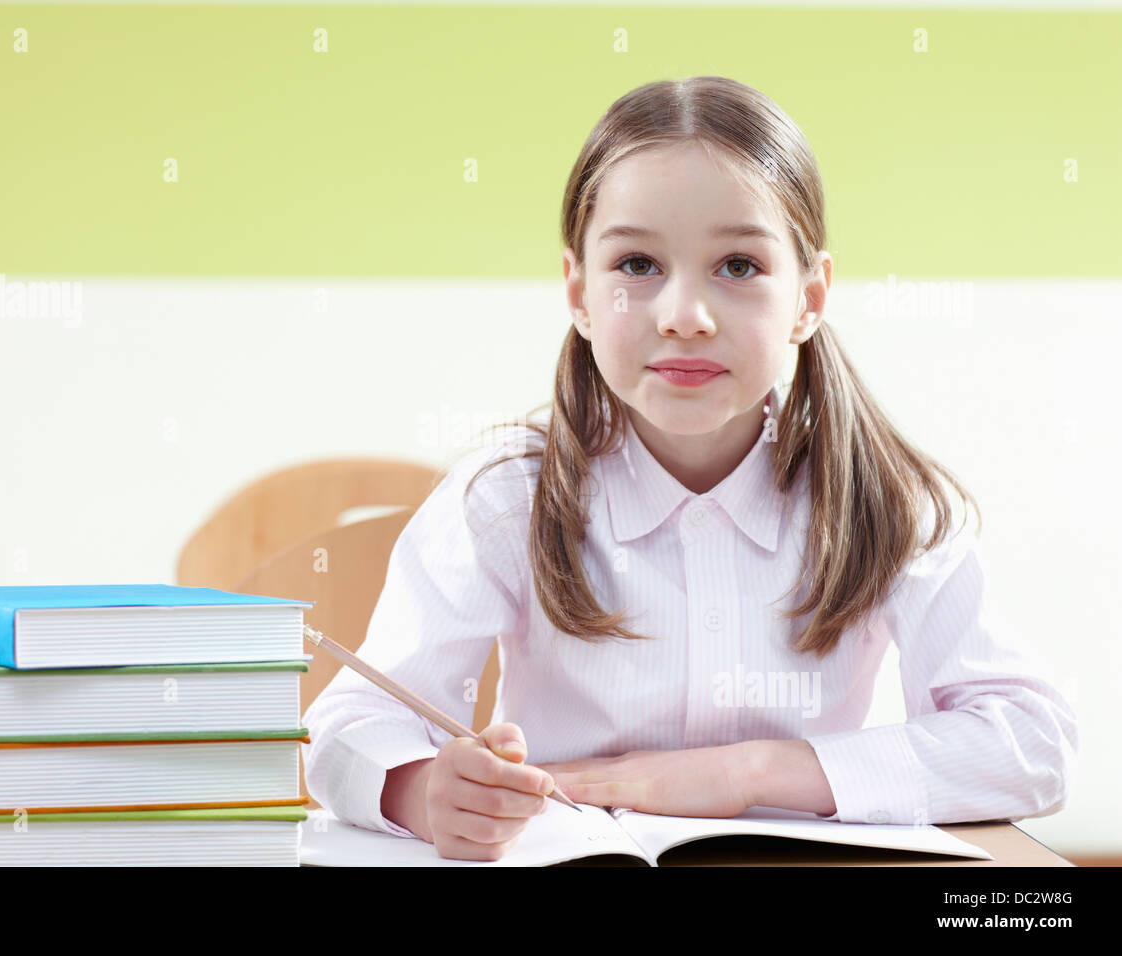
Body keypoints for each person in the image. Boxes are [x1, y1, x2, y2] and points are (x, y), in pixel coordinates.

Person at [301, 75, 1079, 862]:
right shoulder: (505, 497)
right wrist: (421, 788)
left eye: (738, 266)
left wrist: (753, 771)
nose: (684, 315)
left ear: (809, 298)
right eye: (636, 264)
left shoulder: (887, 502)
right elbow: (346, 729)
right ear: (578, 291)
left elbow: (1033, 743)